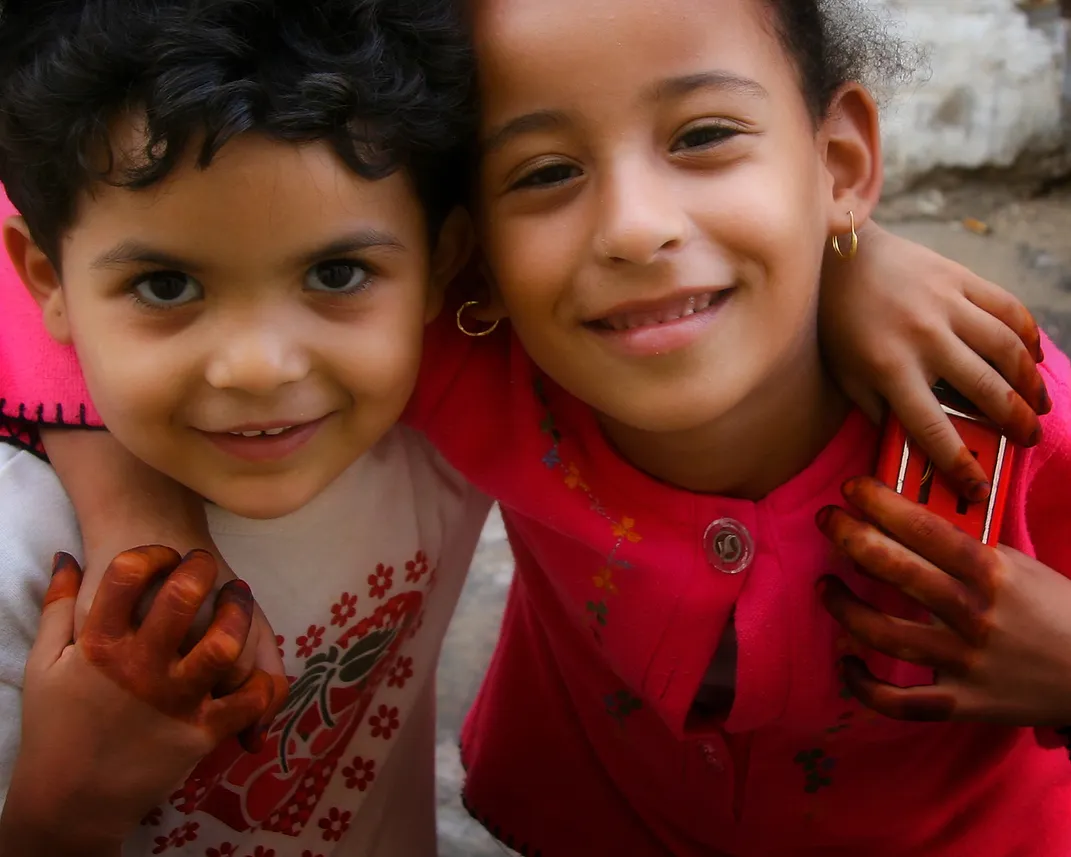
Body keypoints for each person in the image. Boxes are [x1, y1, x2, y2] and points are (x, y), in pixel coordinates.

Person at [0, 1, 1066, 856]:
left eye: (703, 137)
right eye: (546, 171)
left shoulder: (998, 401)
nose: (638, 226)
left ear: (838, 162)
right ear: (469, 250)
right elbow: (71, 230)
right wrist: (144, 519)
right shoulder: (466, 363)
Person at [0, 1, 491, 855]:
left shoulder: (449, 435)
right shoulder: (25, 562)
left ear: (444, 261)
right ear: (46, 279)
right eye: (165, 285)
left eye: (337, 272)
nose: (259, 367)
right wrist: (61, 812)